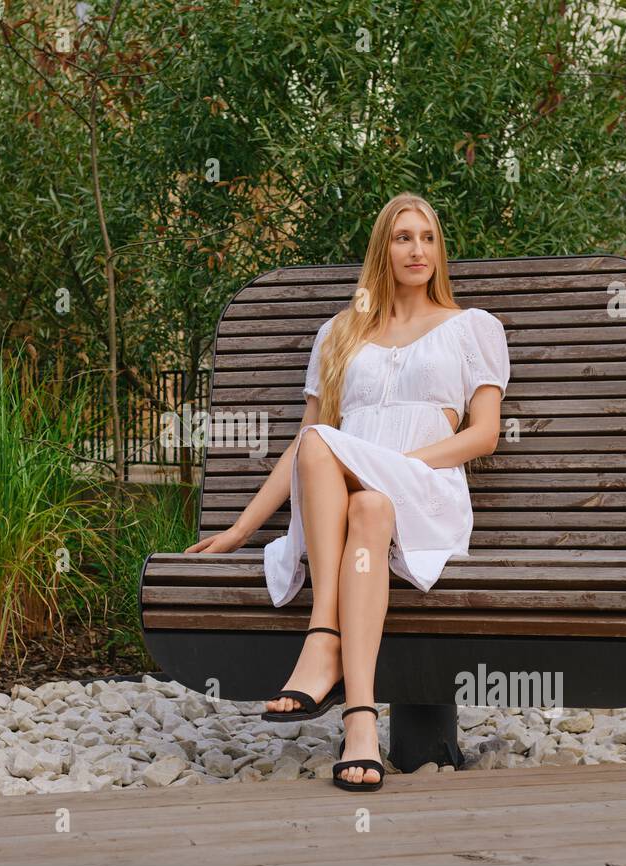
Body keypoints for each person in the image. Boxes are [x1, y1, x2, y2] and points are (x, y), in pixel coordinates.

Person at [184, 192, 511, 791]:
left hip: (425, 488)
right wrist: (239, 529)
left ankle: (322, 637)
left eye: (428, 237)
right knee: (357, 492)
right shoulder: (339, 333)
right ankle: (361, 722)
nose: (417, 250)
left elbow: (484, 435)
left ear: (440, 250)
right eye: (402, 237)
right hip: (353, 505)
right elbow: (305, 446)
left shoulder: (471, 328)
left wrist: (394, 464)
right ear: (381, 249)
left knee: (334, 453)